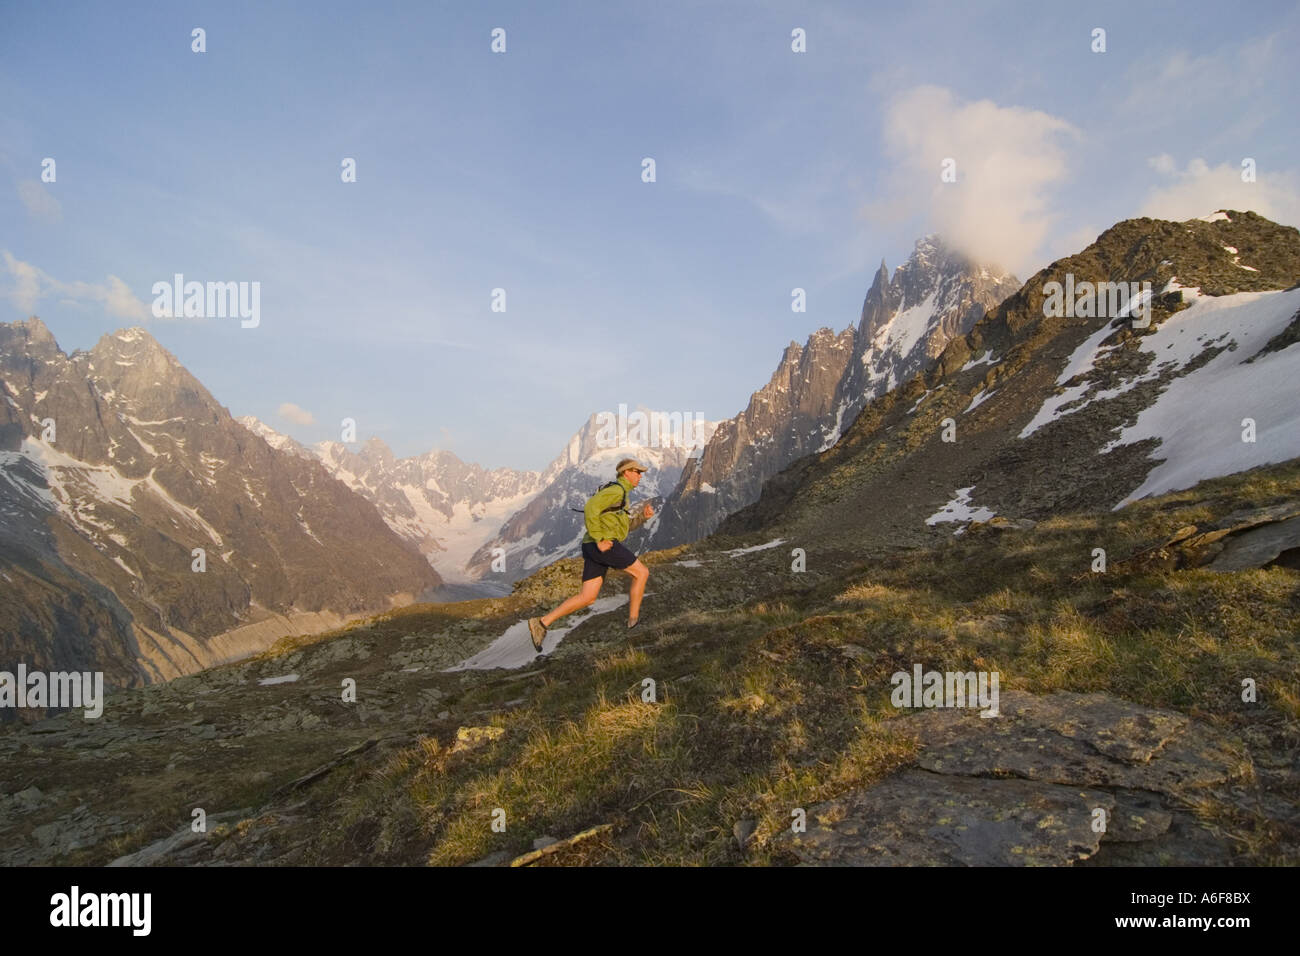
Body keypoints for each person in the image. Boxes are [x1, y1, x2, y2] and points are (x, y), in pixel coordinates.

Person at [527, 458, 654, 652]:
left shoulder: (622, 494)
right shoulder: (616, 491)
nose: (640, 475)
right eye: (637, 472)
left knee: (588, 597)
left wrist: (642, 518)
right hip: (603, 544)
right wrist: (600, 539)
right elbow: (590, 508)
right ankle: (634, 624)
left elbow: (622, 527)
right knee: (642, 573)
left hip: (592, 545)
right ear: (626, 472)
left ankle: (542, 623)